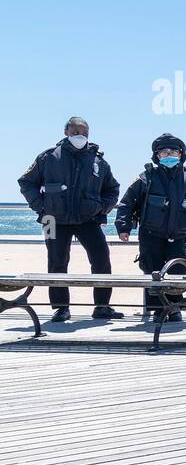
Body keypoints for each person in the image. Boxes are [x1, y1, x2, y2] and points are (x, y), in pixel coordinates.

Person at [17, 117, 122, 322]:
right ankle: (60, 308)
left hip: (89, 220)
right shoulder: (47, 158)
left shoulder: (98, 161)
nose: (80, 136)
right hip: (51, 220)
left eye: (84, 133)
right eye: (75, 132)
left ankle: (102, 306)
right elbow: (26, 182)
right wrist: (41, 207)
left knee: (101, 258)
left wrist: (101, 208)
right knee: (56, 262)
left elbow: (113, 189)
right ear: (66, 132)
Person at [114, 133, 186, 321]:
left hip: (179, 234)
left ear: (181, 154)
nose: (169, 155)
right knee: (153, 271)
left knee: (177, 272)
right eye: (164, 152)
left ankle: (174, 309)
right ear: (157, 156)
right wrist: (123, 227)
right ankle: (158, 310)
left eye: (173, 151)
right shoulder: (146, 177)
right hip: (151, 234)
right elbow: (127, 202)